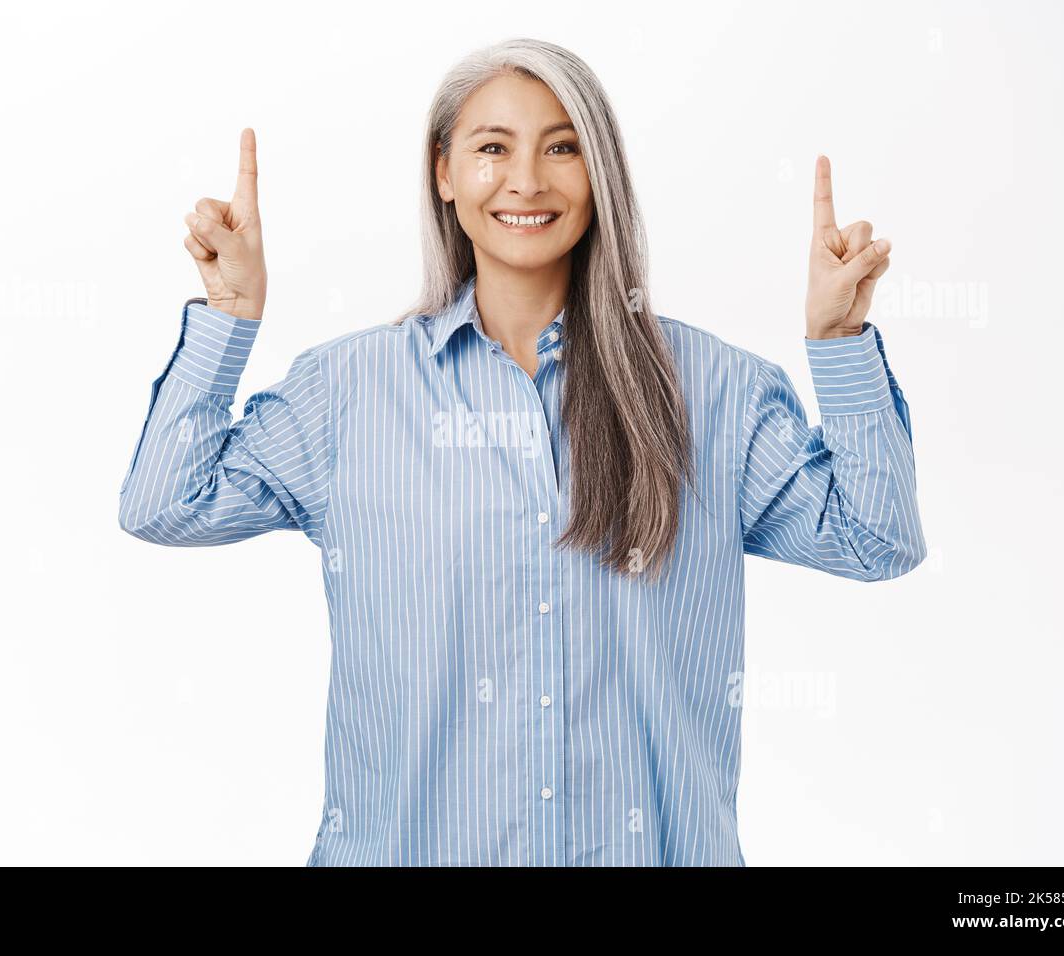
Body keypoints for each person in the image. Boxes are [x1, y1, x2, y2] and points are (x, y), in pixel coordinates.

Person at [119, 37, 925, 866]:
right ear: (444, 173)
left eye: (562, 146)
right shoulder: (346, 395)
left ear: (599, 171)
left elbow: (878, 541)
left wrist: (840, 339)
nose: (527, 181)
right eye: (492, 148)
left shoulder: (710, 391)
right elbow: (164, 504)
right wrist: (229, 315)